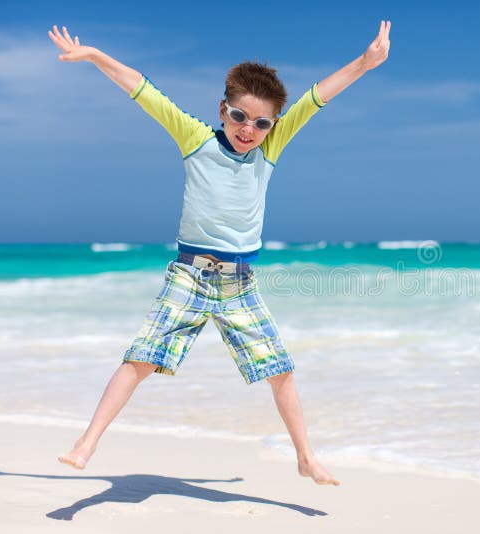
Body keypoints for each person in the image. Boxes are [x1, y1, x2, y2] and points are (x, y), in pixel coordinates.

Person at [48, 20, 391, 486]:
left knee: (280, 370)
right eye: (239, 117)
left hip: (239, 282)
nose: (249, 129)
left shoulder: (270, 148)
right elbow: (143, 91)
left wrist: (365, 63)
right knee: (140, 359)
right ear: (223, 110)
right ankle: (86, 443)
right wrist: (94, 56)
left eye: (261, 122)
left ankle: (306, 457)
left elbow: (316, 98)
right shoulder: (195, 137)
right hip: (189, 275)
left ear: (272, 125)